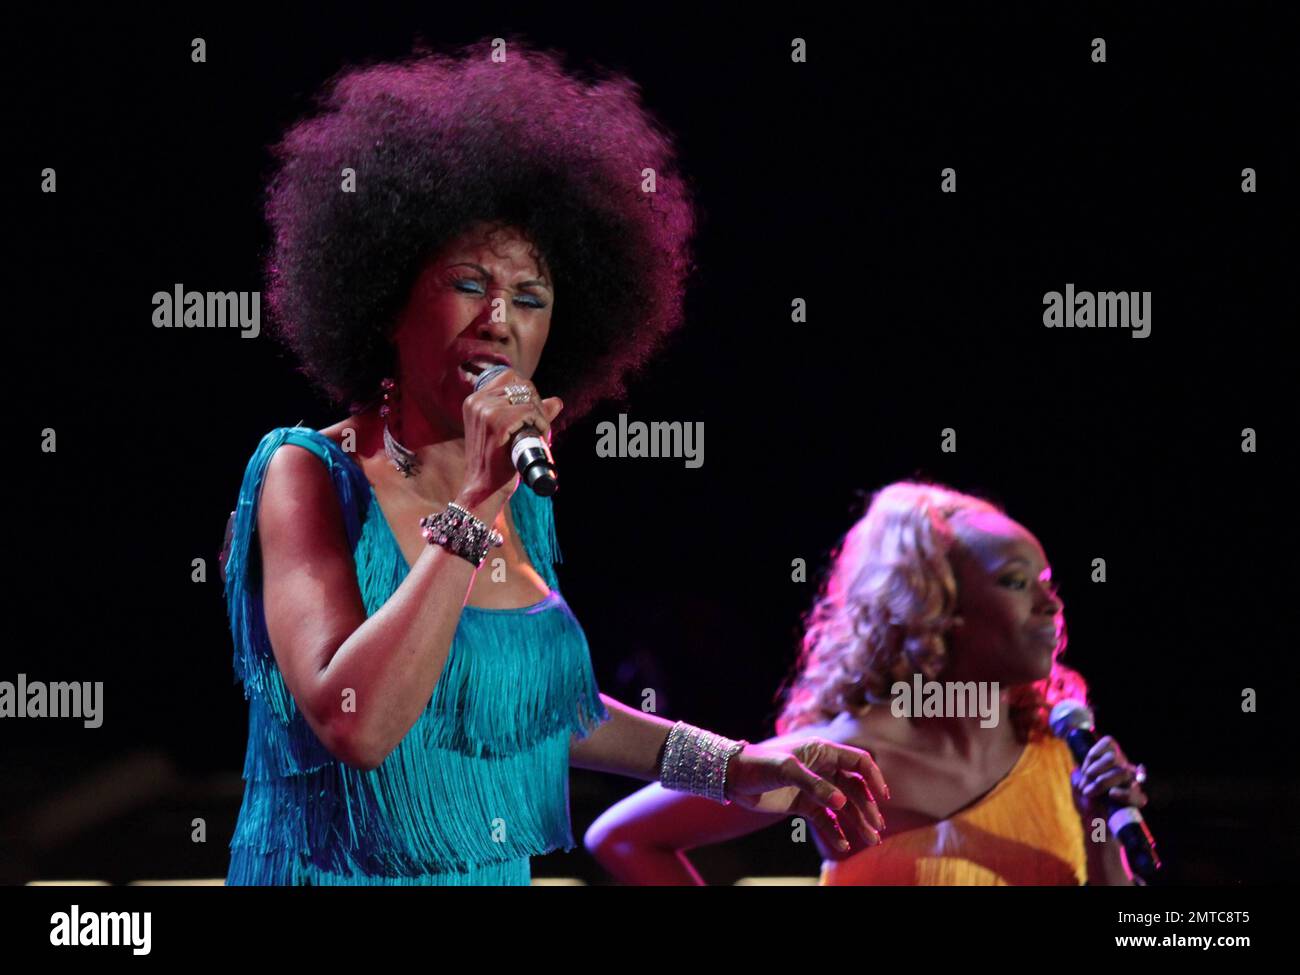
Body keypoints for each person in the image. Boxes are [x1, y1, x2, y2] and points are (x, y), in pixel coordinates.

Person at [219, 36, 887, 885]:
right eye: (470, 282)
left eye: (530, 299)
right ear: (386, 294)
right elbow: (357, 723)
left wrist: (736, 765)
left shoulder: (516, 493)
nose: (500, 316)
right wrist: (473, 507)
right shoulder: (307, 474)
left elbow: (539, 709)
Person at [585, 481, 1149, 884]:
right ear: (936, 606)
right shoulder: (846, 755)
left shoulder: (1066, 757)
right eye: (1015, 582)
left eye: (1047, 582)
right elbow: (623, 836)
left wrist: (1101, 834)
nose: (1050, 603)